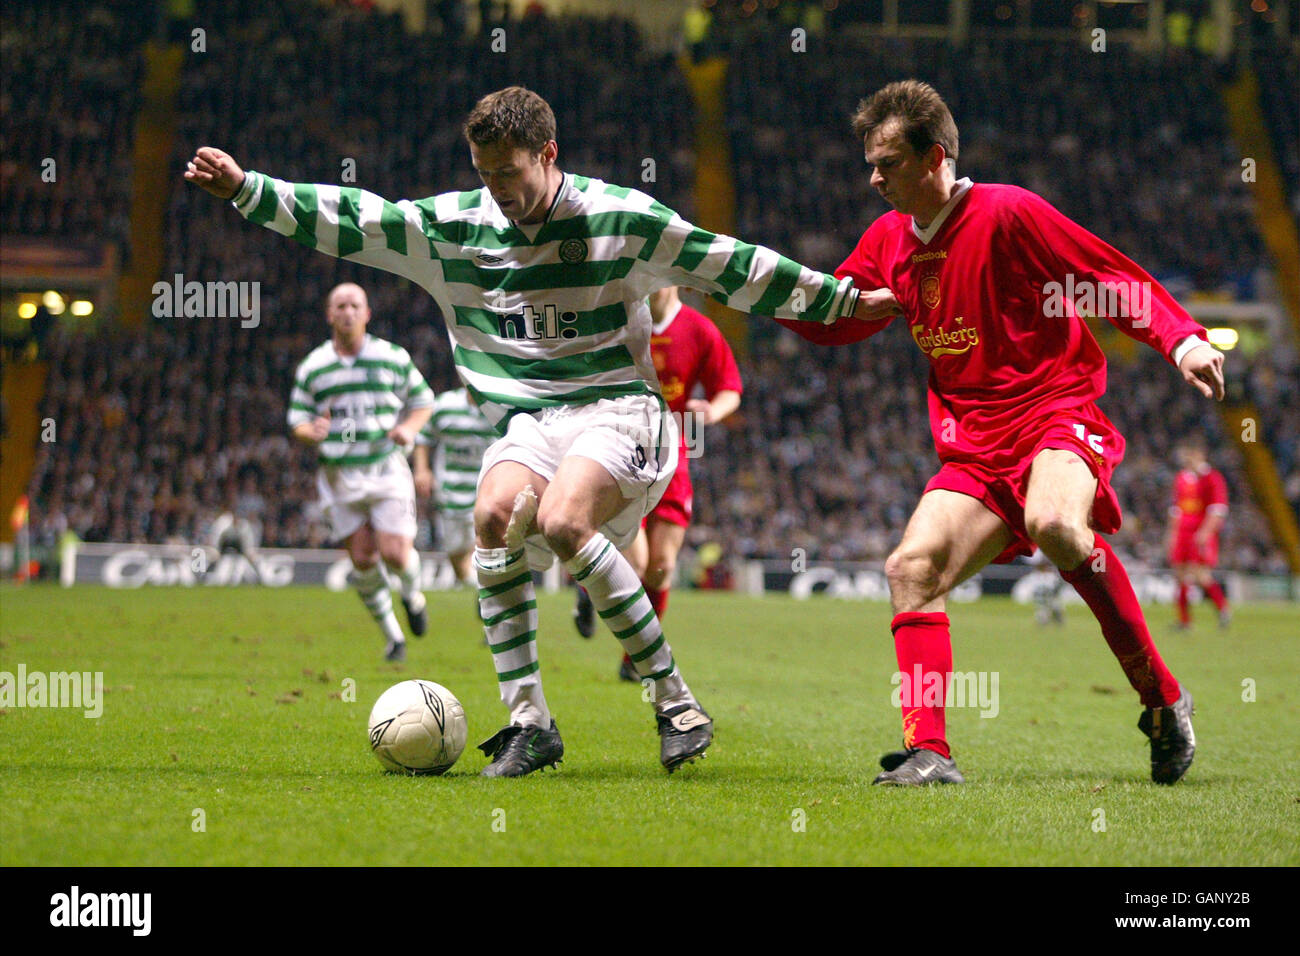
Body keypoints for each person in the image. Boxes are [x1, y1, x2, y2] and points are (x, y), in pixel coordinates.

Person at [184, 85, 898, 777]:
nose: (497, 186)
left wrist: (840, 299)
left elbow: (730, 263)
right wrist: (251, 190)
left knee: (560, 520)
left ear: (549, 153)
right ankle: (531, 724)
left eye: (510, 171)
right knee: (491, 516)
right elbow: (356, 218)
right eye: (484, 172)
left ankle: (675, 703)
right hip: (532, 421)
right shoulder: (456, 228)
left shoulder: (620, 218)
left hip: (621, 410)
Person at [777, 80, 1225, 786]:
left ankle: (1163, 696)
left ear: (936, 159)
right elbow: (835, 316)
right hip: (973, 444)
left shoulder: (1009, 212)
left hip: (1057, 412)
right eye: (870, 162)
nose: (872, 179)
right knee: (910, 568)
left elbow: (1105, 276)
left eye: (887, 163)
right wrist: (752, 286)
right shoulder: (887, 239)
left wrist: (1184, 341)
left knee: (1053, 521)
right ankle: (932, 752)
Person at [572, 287, 742, 685]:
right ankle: (591, 589)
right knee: (635, 563)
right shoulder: (620, 322)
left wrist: (712, 411)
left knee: (662, 568)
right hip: (621, 447)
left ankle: (632, 658)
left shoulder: (700, 330)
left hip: (672, 454)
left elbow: (729, 388)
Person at [286, 283, 435, 662]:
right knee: (364, 559)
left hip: (384, 466)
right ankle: (394, 638)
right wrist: (310, 431)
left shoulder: (392, 357)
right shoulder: (314, 366)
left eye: (355, 305)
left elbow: (423, 401)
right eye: (340, 306)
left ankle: (412, 597)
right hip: (339, 476)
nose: (347, 312)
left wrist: (409, 429)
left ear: (367, 314)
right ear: (329, 314)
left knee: (396, 554)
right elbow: (296, 419)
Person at [413, 386, 495, 594]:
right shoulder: (444, 405)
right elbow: (422, 436)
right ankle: (479, 587)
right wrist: (422, 469)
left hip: (486, 490)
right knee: (456, 555)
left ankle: (492, 591)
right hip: (450, 492)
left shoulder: (499, 406)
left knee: (488, 544)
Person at [1167, 436, 1230, 629]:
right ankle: (1184, 621)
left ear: (1200, 455)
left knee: (1200, 575)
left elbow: (1218, 509)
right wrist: (1172, 534)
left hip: (1200, 531)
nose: (1187, 458)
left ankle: (1223, 609)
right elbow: (1175, 509)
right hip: (1183, 532)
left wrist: (1205, 533)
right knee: (1180, 574)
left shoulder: (1212, 478)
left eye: (1190, 455)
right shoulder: (1181, 478)